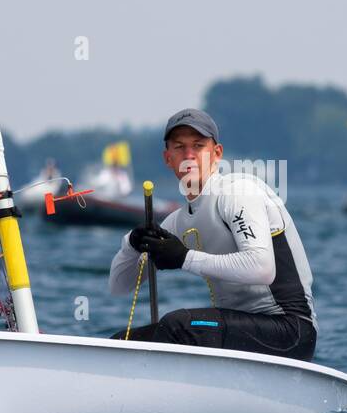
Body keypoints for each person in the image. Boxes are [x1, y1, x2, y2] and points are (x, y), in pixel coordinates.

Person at [107, 108, 318, 361]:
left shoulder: (237, 193)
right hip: (238, 334)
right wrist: (130, 244)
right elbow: (119, 286)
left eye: (198, 146)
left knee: (178, 326)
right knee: (121, 343)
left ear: (216, 154)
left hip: (290, 332)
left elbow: (262, 268)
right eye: (179, 147)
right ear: (167, 158)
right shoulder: (177, 222)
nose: (188, 155)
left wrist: (184, 258)